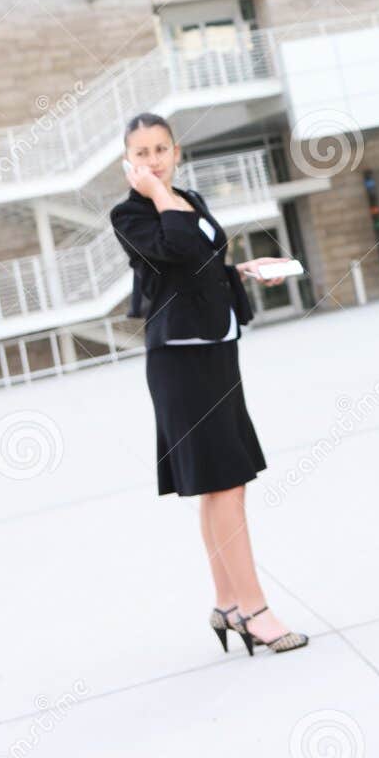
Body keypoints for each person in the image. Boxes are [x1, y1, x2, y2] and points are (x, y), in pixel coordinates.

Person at [109, 112, 308, 657]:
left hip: (217, 352)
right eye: (141, 152)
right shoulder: (130, 214)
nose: (152, 160)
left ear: (176, 151)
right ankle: (256, 611)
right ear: (128, 160)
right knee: (226, 483)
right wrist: (154, 191)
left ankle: (226, 604)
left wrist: (242, 270)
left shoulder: (190, 198)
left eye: (160, 149)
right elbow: (174, 249)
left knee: (225, 483)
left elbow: (203, 260)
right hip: (180, 363)